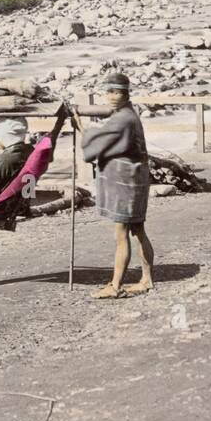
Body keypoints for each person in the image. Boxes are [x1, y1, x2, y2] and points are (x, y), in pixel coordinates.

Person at [82, 73, 155, 299]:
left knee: (121, 233)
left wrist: (82, 129)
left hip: (127, 183)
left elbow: (97, 141)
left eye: (117, 92)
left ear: (126, 93)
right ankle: (146, 279)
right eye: (109, 92)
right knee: (138, 230)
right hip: (135, 179)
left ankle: (115, 286)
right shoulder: (128, 114)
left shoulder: (123, 119)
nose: (112, 97)